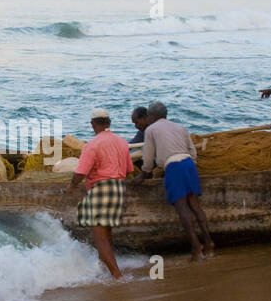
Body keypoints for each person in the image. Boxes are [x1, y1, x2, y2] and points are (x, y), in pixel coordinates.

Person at [131, 101, 214, 259]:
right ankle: (209, 243)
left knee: (182, 208)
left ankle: (196, 246)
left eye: (148, 115)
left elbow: (147, 157)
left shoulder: (151, 129)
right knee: (195, 205)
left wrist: (144, 174)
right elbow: (192, 151)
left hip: (174, 167)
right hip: (189, 164)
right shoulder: (179, 127)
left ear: (152, 116)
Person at [66, 109, 135, 279]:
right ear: (109, 123)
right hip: (118, 188)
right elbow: (128, 169)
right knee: (107, 231)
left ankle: (117, 276)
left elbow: (81, 172)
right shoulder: (122, 143)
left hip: (101, 189)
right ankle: (103, 267)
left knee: (99, 236)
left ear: (92, 124)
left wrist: (72, 186)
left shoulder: (92, 145)